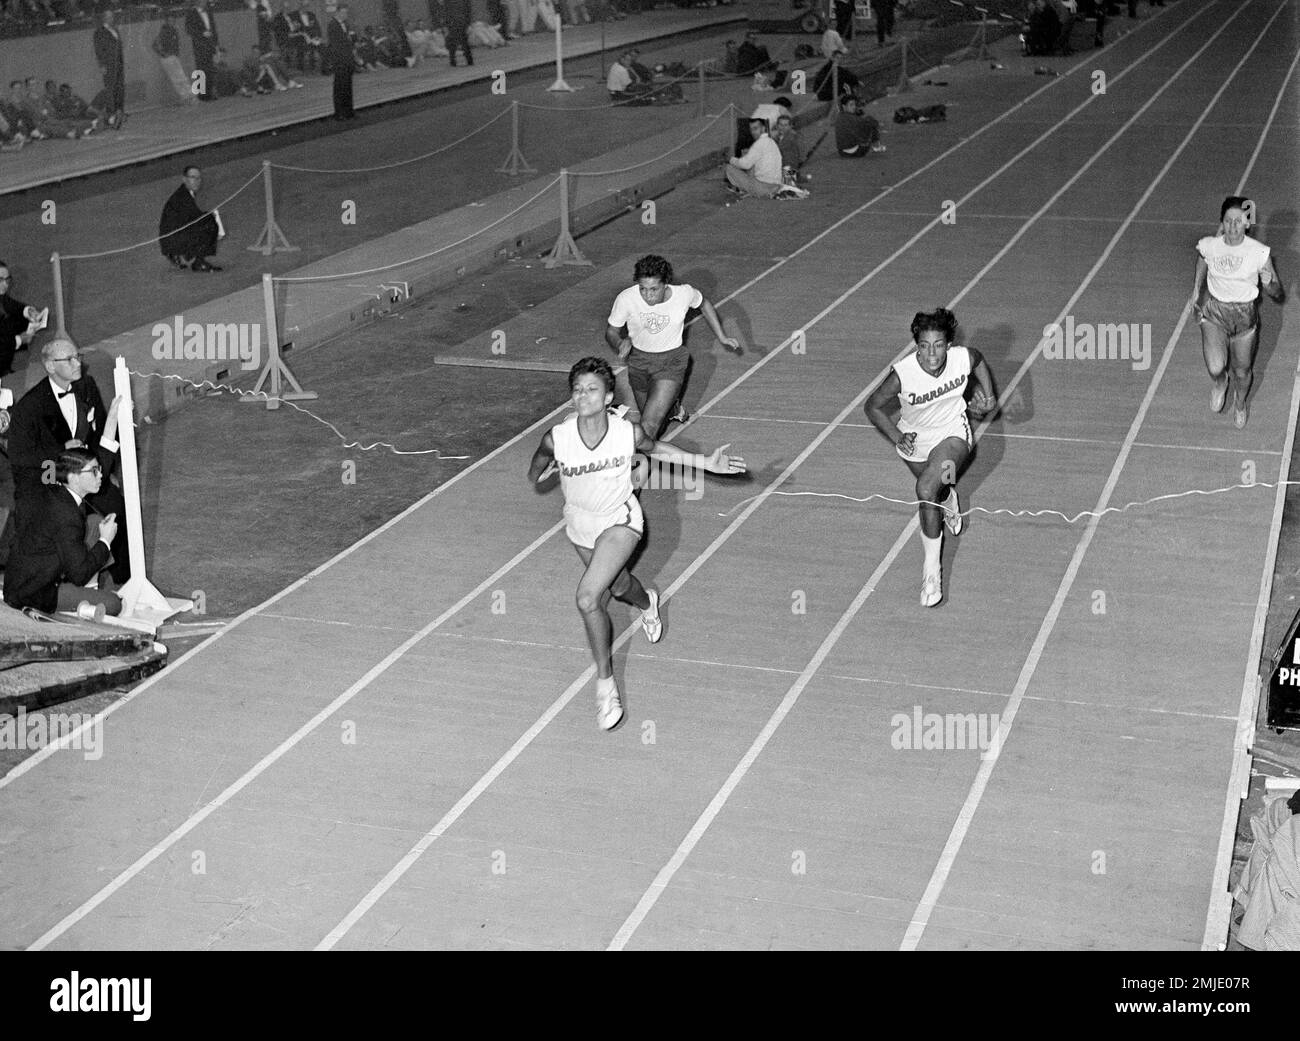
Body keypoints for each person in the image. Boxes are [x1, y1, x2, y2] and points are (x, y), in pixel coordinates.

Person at [527, 356, 746, 730]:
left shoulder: (625, 433)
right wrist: (542, 476)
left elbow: (657, 449)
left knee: (588, 597)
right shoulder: (558, 437)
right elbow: (537, 468)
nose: (584, 395)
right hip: (580, 525)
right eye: (577, 389)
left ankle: (605, 687)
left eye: (592, 388)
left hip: (620, 520)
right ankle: (648, 602)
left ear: (609, 394)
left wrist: (705, 463)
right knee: (619, 585)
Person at [863, 308, 998, 607]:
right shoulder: (903, 374)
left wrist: (988, 397)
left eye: (938, 345)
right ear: (917, 346)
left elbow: (978, 361)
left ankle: (931, 573)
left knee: (925, 489)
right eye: (924, 346)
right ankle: (949, 499)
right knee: (936, 490)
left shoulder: (962, 358)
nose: (931, 353)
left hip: (953, 433)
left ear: (948, 345)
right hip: (915, 440)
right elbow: (871, 407)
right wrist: (898, 437)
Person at [6, 339, 130, 593]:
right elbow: (20, 458)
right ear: (50, 366)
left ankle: (123, 579)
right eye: (70, 359)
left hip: (83, 471)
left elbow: (99, 433)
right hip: (48, 478)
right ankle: (56, 580)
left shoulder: (86, 386)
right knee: (53, 523)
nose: (78, 363)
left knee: (116, 505)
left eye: (78, 356)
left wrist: (101, 470)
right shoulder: (30, 406)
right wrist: (59, 455)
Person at [604, 255, 740, 440]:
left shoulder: (683, 294)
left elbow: (704, 304)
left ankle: (634, 466)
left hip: (671, 361)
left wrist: (722, 336)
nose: (647, 295)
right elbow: (611, 331)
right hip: (638, 362)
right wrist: (619, 342)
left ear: (666, 284)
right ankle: (674, 408)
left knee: (649, 427)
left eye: (654, 289)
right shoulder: (627, 298)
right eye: (643, 289)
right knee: (650, 416)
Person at [1193, 196, 1285, 429]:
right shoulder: (1211, 245)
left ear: (1247, 224)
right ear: (1222, 223)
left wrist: (1270, 283)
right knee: (1215, 366)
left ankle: (1241, 403)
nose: (1233, 226)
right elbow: (1202, 258)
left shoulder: (1258, 252)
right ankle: (1221, 383)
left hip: (1245, 318)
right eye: (1228, 221)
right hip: (1216, 314)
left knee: (1243, 371)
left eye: (1238, 221)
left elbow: (1277, 293)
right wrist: (1196, 290)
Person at [2, 448, 123, 618]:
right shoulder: (67, 514)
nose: (100, 475)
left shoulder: (59, 495)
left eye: (100, 469)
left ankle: (89, 591)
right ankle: (81, 603)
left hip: (22, 578)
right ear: (73, 477)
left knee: (95, 522)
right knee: (114, 603)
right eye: (94, 471)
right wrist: (105, 540)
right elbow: (79, 575)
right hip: (35, 593)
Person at [159, 166, 224, 271]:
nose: (197, 181)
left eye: (199, 178)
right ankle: (199, 262)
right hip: (172, 239)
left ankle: (177, 254)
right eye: (193, 177)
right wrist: (212, 218)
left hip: (172, 236)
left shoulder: (184, 192)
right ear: (184, 179)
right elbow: (195, 218)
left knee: (207, 220)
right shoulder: (183, 196)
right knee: (210, 224)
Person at [0, 260, 45, 377]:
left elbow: (9, 303)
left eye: (7, 280)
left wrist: (28, 311)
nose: (5, 284)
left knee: (19, 320)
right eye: (0, 280)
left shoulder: (2, 296)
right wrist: (20, 339)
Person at [725, 116, 788, 199]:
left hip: (763, 188)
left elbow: (744, 164)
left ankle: (745, 190)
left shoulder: (759, 143)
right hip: (776, 186)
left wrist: (730, 159)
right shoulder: (771, 141)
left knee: (729, 168)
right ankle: (748, 190)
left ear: (763, 128)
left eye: (755, 128)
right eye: (751, 129)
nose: (753, 132)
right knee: (751, 162)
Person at [154, 12, 199, 105]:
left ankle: (189, 96)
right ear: (166, 21)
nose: (172, 22)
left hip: (173, 56)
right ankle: (187, 96)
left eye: (173, 21)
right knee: (178, 77)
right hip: (168, 57)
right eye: (170, 20)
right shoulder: (164, 31)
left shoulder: (173, 30)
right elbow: (155, 45)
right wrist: (164, 53)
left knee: (180, 77)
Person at [92, 8, 126, 127]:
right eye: (110, 17)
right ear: (105, 18)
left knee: (119, 88)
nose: (112, 19)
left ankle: (119, 112)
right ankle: (111, 114)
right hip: (109, 65)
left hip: (118, 64)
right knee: (110, 90)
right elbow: (99, 50)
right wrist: (102, 65)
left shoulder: (115, 30)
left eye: (112, 16)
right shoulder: (99, 32)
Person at [185, 0, 221, 102]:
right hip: (200, 46)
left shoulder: (209, 12)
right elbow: (189, 29)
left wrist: (217, 45)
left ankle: (209, 93)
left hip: (210, 45)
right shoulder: (191, 14)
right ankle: (202, 95)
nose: (204, 3)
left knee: (210, 69)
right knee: (201, 69)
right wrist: (202, 34)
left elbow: (214, 29)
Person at [326, 5, 356, 118]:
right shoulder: (332, 25)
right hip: (340, 60)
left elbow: (350, 41)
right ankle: (339, 113)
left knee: (348, 86)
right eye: (343, 13)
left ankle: (349, 111)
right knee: (339, 87)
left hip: (348, 59)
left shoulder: (346, 25)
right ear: (337, 12)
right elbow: (335, 45)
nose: (345, 15)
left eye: (346, 13)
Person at [444, 0, 473, 66]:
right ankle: (469, 60)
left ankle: (453, 61)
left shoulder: (448, 2)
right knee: (463, 41)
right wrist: (468, 23)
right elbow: (468, 11)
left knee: (454, 42)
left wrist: (447, 24)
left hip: (454, 23)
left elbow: (446, 12)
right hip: (461, 22)